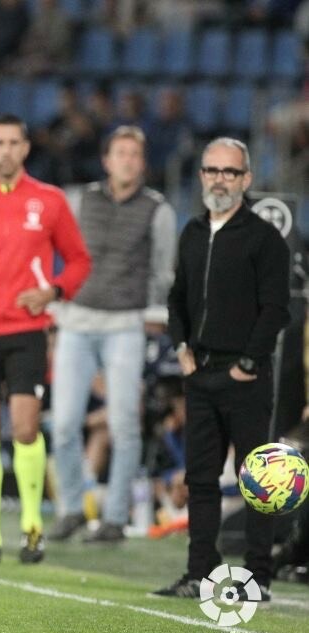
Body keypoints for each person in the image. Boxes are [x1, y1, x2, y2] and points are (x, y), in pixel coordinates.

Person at [0, 114, 91, 563]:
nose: (6, 150)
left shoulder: (49, 200)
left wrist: (54, 292)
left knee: (26, 428)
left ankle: (32, 528)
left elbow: (79, 261)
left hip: (27, 331)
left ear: (25, 148)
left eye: (13, 143)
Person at [155, 137, 290, 601]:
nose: (219, 179)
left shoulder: (265, 238)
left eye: (229, 172)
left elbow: (276, 309)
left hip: (246, 378)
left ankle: (259, 578)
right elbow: (176, 299)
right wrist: (181, 347)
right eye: (212, 170)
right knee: (200, 479)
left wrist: (248, 363)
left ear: (246, 179)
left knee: (259, 482)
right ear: (201, 176)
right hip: (200, 374)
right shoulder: (192, 232)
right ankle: (199, 573)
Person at [49, 126, 177, 543]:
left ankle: (116, 518)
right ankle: (71, 508)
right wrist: (55, 303)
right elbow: (58, 252)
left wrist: (154, 314)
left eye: (135, 154)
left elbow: (163, 270)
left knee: (124, 424)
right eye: (120, 153)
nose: (127, 161)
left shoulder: (158, 209)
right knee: (64, 424)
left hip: (125, 325)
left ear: (143, 162)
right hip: (76, 321)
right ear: (106, 160)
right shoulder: (78, 199)